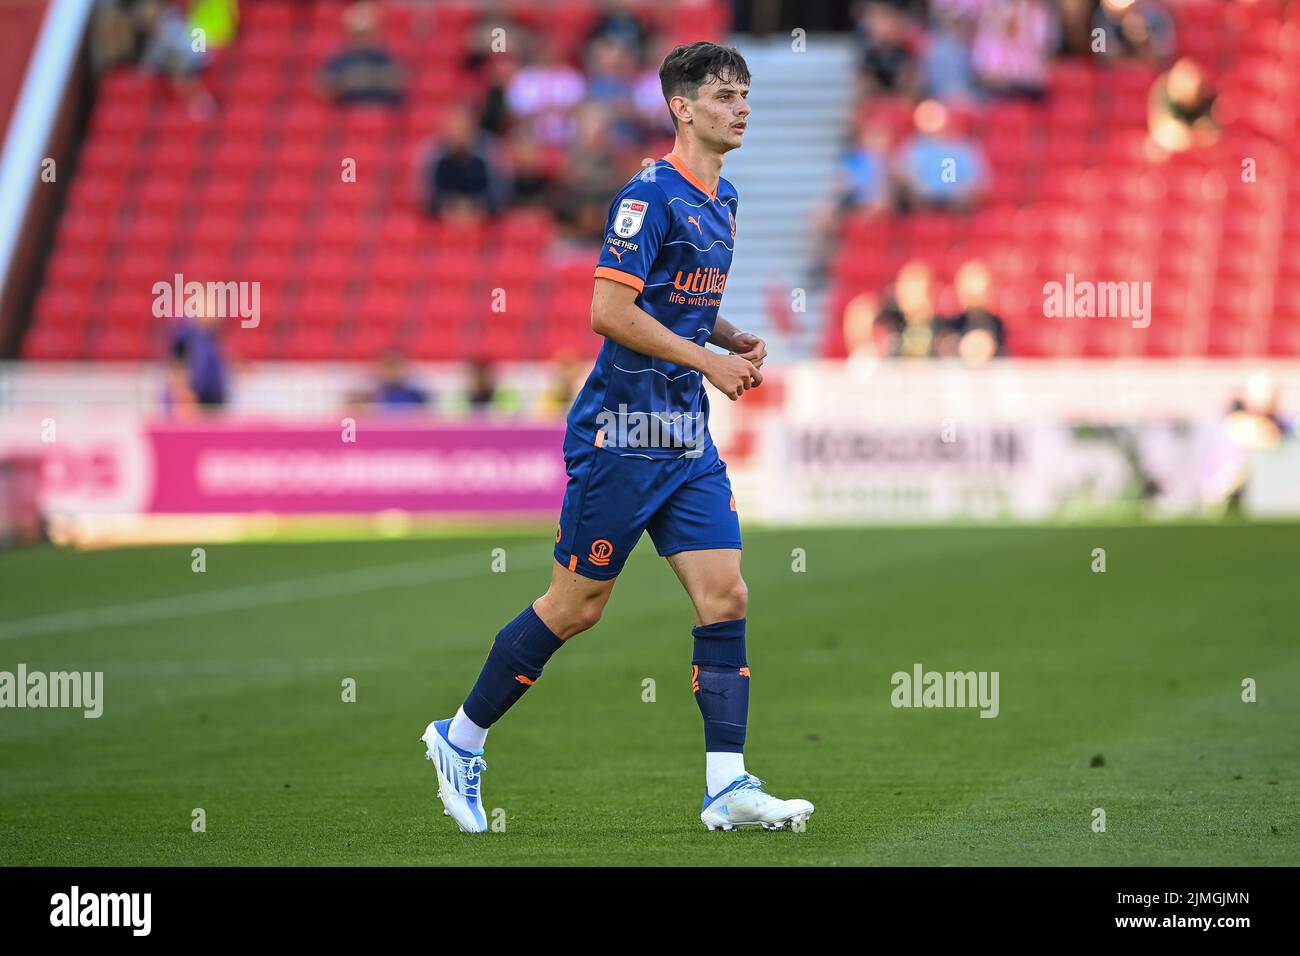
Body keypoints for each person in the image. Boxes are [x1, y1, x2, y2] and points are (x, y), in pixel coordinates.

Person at [421, 41, 814, 834]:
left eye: (745, 94)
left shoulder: (722, 198)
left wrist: (726, 336)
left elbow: (675, 298)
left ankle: (727, 784)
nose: (742, 107)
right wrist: (706, 360)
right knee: (577, 606)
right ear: (683, 107)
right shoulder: (649, 196)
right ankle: (458, 740)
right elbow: (608, 311)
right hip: (623, 433)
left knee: (725, 594)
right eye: (725, 95)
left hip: (683, 439)